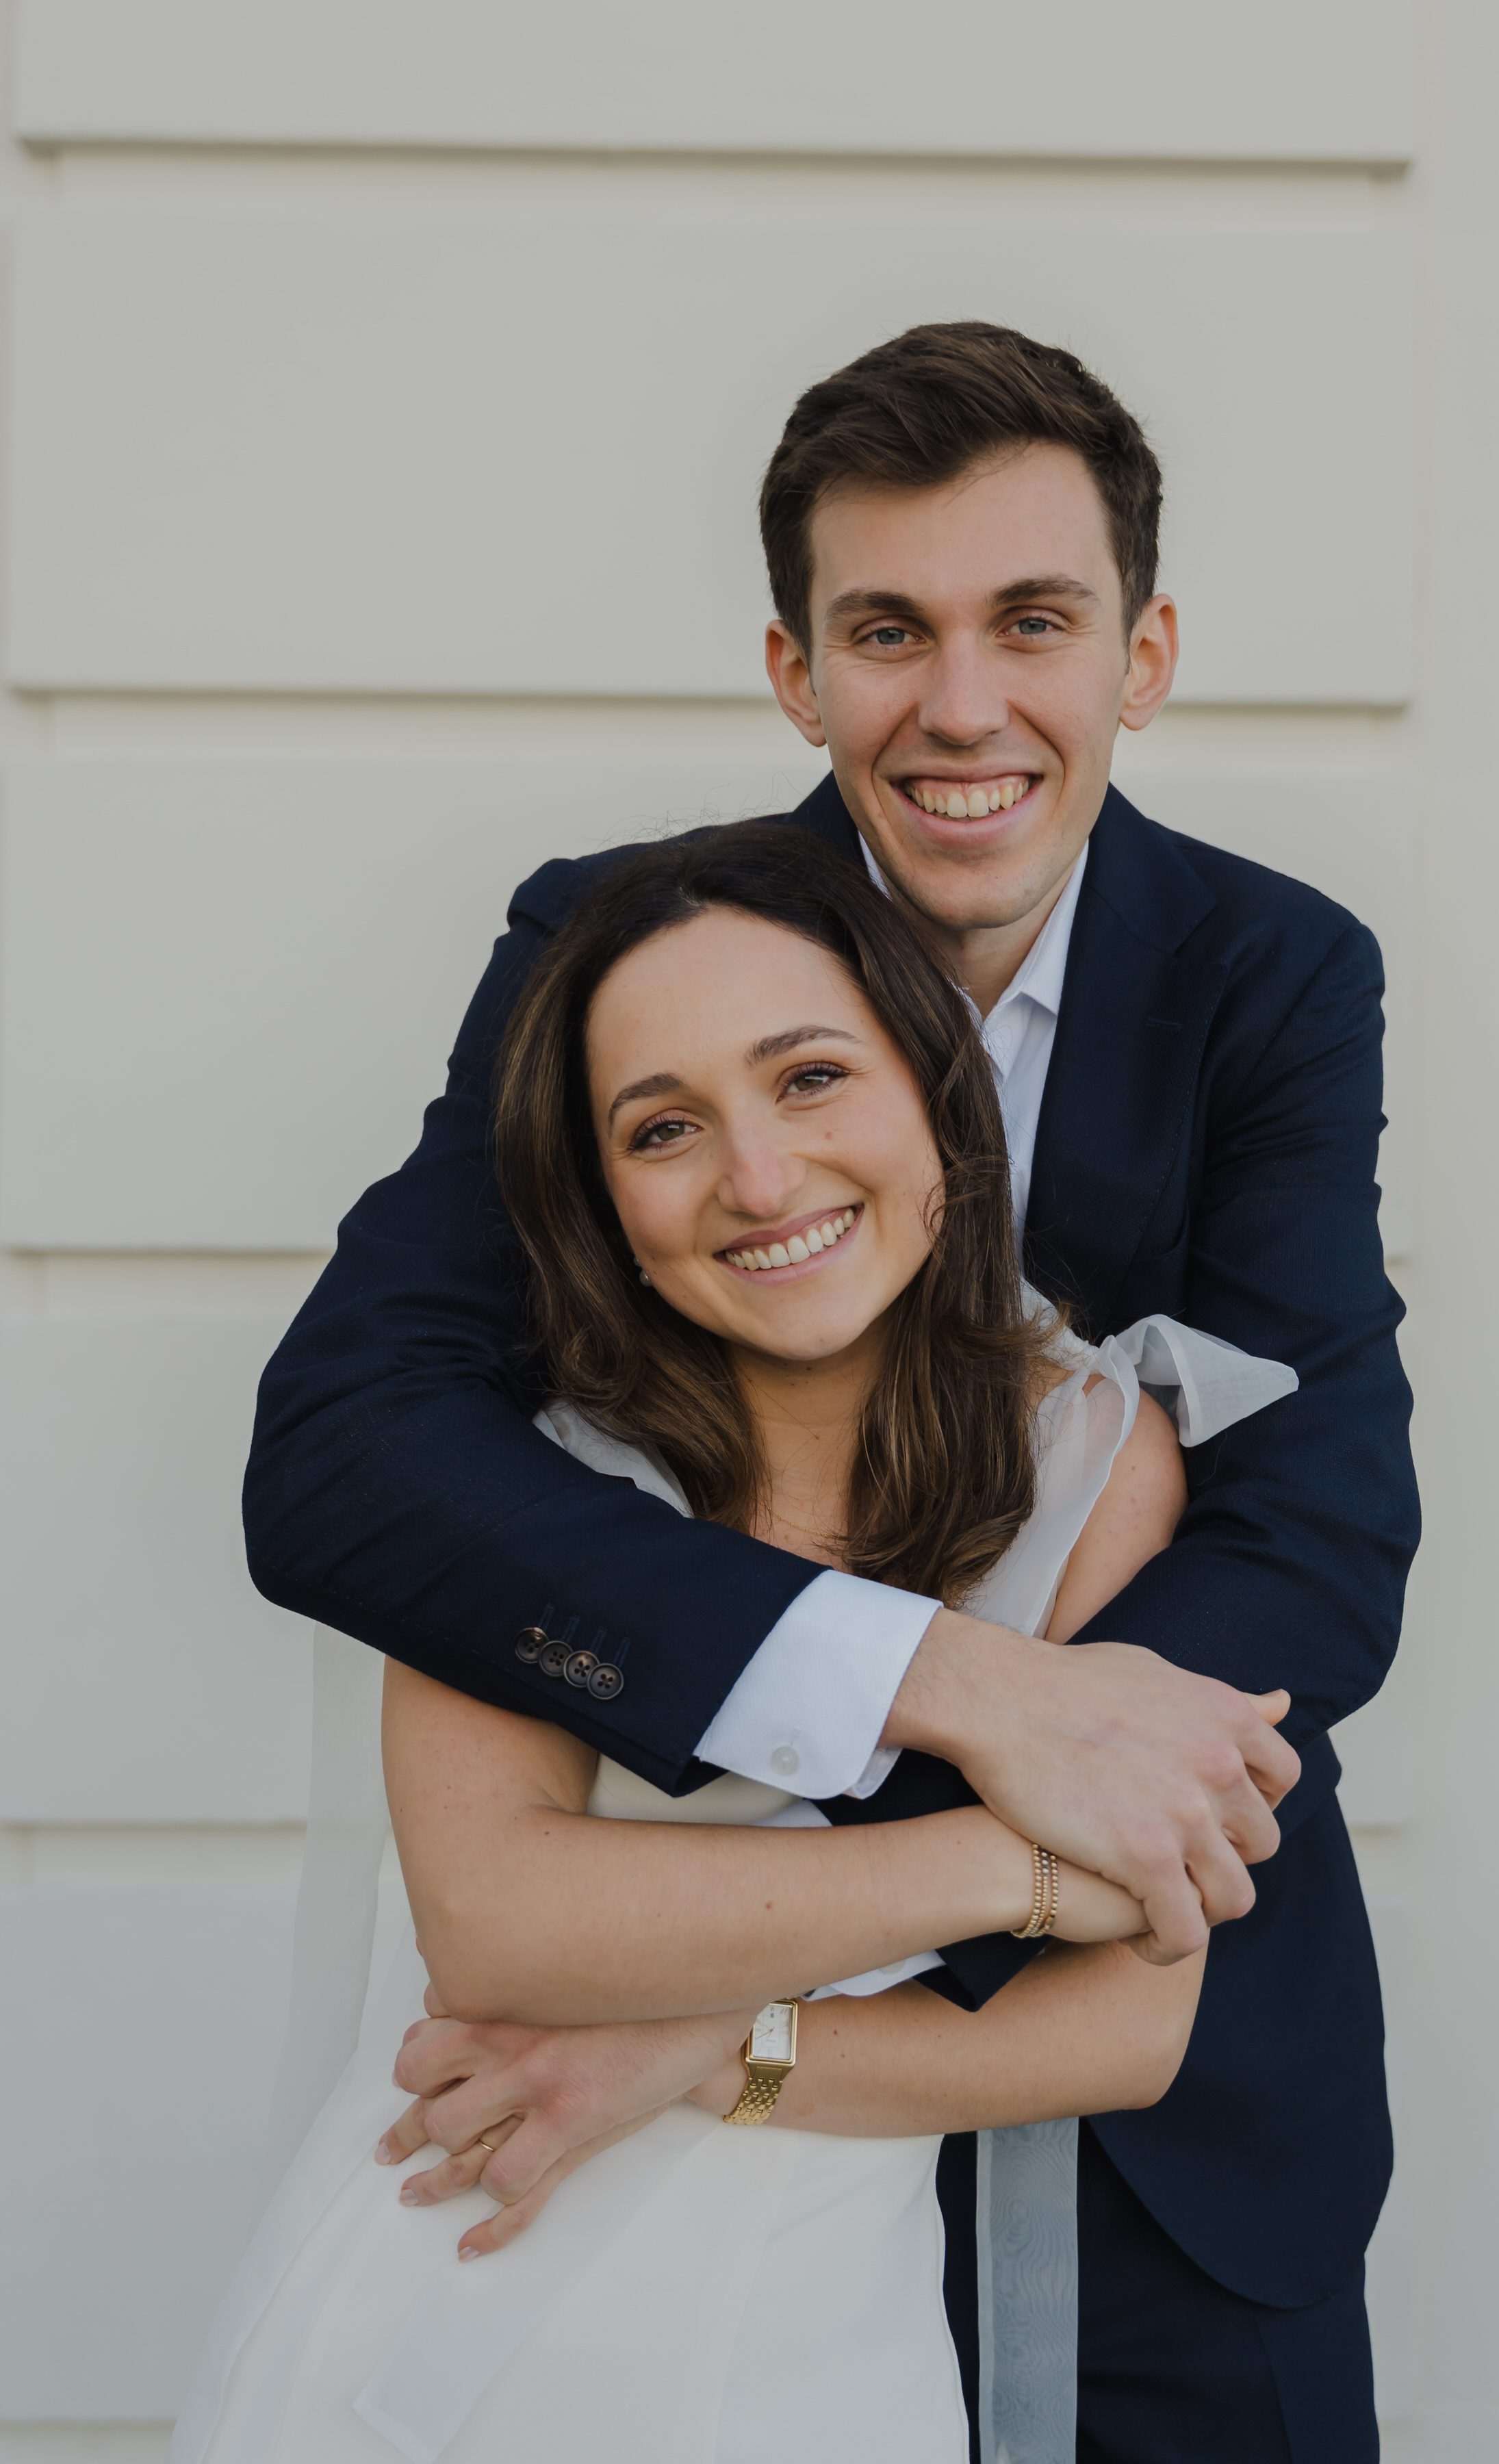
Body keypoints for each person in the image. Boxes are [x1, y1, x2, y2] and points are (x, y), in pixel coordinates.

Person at [243, 322, 1419, 2458]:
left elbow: (1316, 1544)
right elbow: (348, 1454)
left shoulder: (1275, 976)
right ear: (795, 670)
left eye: (1033, 623)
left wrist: (744, 2005)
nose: (962, 707)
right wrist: (954, 1695)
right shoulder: (614, 960)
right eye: (888, 630)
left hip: (1143, 2078)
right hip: (625, 2151)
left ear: (1141, 654)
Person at [177, 828, 1298, 2462]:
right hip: (448, 2254)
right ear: (606, 1205)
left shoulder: (1096, 1463)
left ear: (939, 1095)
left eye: (812, 1078)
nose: (758, 1181)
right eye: (665, 1128)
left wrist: (714, 2041)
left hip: (819, 2341)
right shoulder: (527, 1479)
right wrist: (1032, 1871)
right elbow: (495, 1927)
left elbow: (1125, 2032)